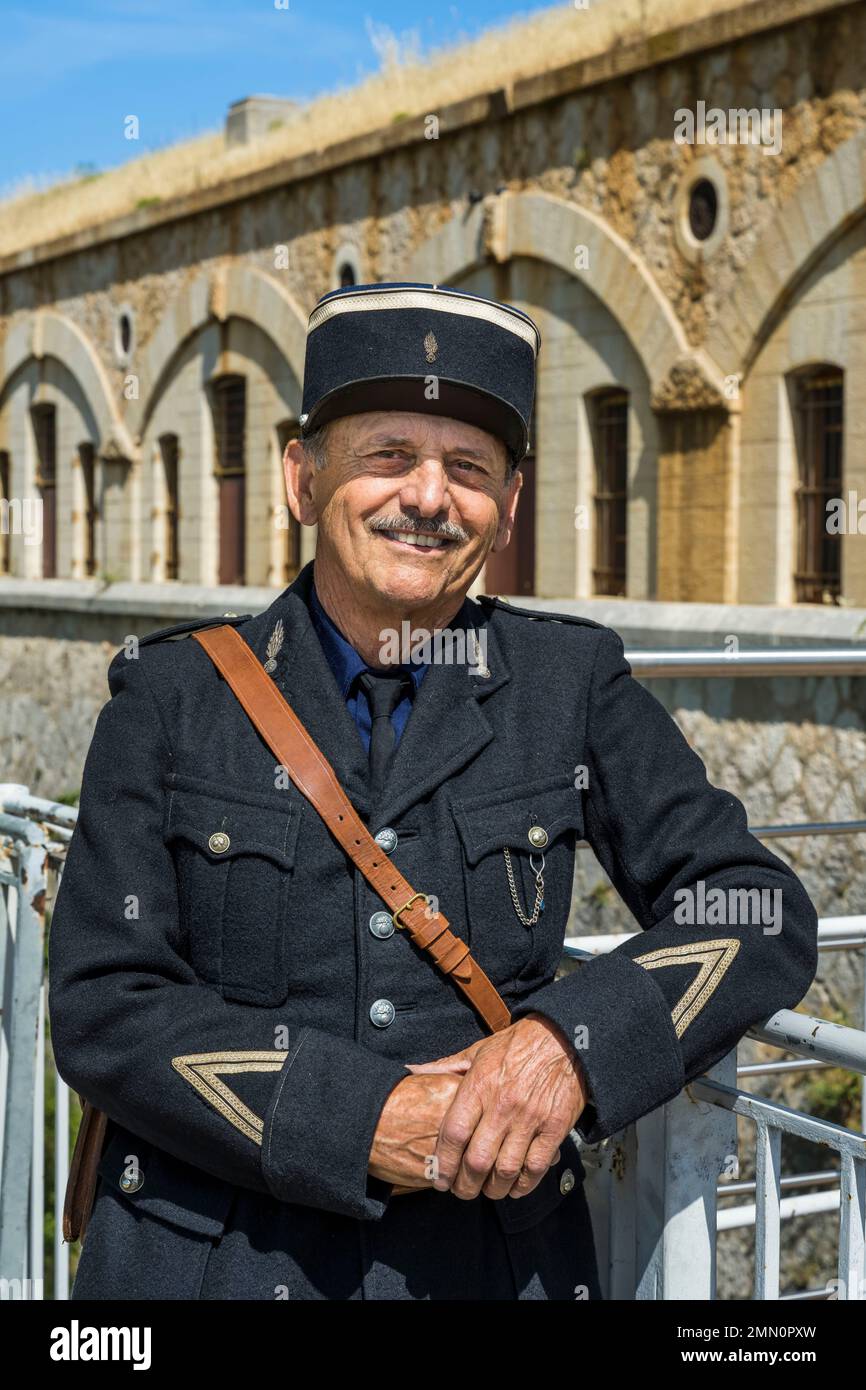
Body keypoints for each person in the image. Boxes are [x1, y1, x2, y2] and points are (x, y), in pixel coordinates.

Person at [48, 281, 818, 1300]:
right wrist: (358, 1118)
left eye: (467, 467)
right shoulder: (171, 698)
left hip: (483, 1267)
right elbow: (103, 1004)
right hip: (217, 1262)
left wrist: (567, 1044)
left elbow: (755, 908)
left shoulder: (567, 686)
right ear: (300, 477)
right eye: (386, 456)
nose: (425, 496)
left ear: (505, 510)